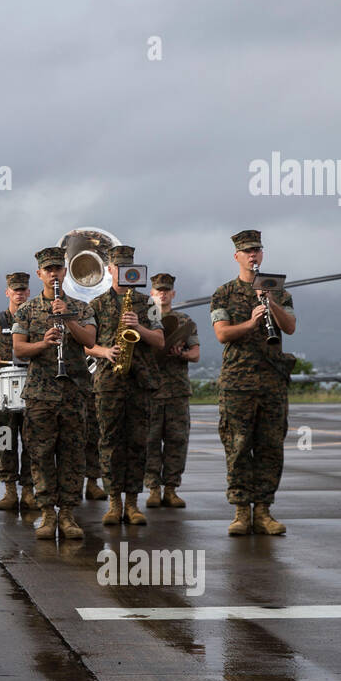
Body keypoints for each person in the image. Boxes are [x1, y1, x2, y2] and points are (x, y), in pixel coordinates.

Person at [210, 230, 297, 536]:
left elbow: (290, 327)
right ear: (237, 256)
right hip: (238, 381)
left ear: (263, 254)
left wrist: (271, 304)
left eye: (257, 250)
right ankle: (240, 511)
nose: (253, 255)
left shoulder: (279, 291)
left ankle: (263, 510)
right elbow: (222, 334)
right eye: (247, 251)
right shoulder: (223, 293)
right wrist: (250, 321)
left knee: (270, 445)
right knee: (237, 444)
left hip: (271, 380)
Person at [12, 248, 98, 540]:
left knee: (73, 454)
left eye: (57, 269)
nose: (53, 273)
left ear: (64, 272)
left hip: (74, 393)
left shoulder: (82, 307)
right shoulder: (27, 310)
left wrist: (68, 319)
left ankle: (69, 514)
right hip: (40, 395)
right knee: (41, 454)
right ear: (39, 274)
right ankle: (48, 513)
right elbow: (19, 349)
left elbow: (89, 340)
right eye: (48, 269)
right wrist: (44, 344)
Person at [86, 245, 165, 526]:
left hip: (140, 381)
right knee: (109, 441)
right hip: (109, 381)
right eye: (117, 266)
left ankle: (132, 504)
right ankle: (113, 502)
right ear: (109, 269)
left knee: (137, 442)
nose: (123, 270)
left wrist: (139, 328)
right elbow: (87, 344)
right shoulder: (95, 304)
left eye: (127, 266)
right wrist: (104, 351)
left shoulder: (148, 303)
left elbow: (159, 341)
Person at [0, 272, 36, 512]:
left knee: (32, 442)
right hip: (2, 393)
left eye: (23, 290)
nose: (20, 294)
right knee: (6, 439)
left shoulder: (36, 319)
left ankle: (29, 491)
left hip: (33, 389)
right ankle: (9, 490)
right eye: (16, 290)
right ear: (7, 293)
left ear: (29, 292)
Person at [144, 273, 200, 508]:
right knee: (151, 440)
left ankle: (171, 488)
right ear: (152, 294)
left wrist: (183, 354)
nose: (163, 294)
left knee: (177, 440)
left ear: (173, 294)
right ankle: (153, 489)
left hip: (177, 390)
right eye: (159, 290)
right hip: (151, 390)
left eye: (167, 290)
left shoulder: (184, 321)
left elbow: (196, 354)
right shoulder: (144, 320)